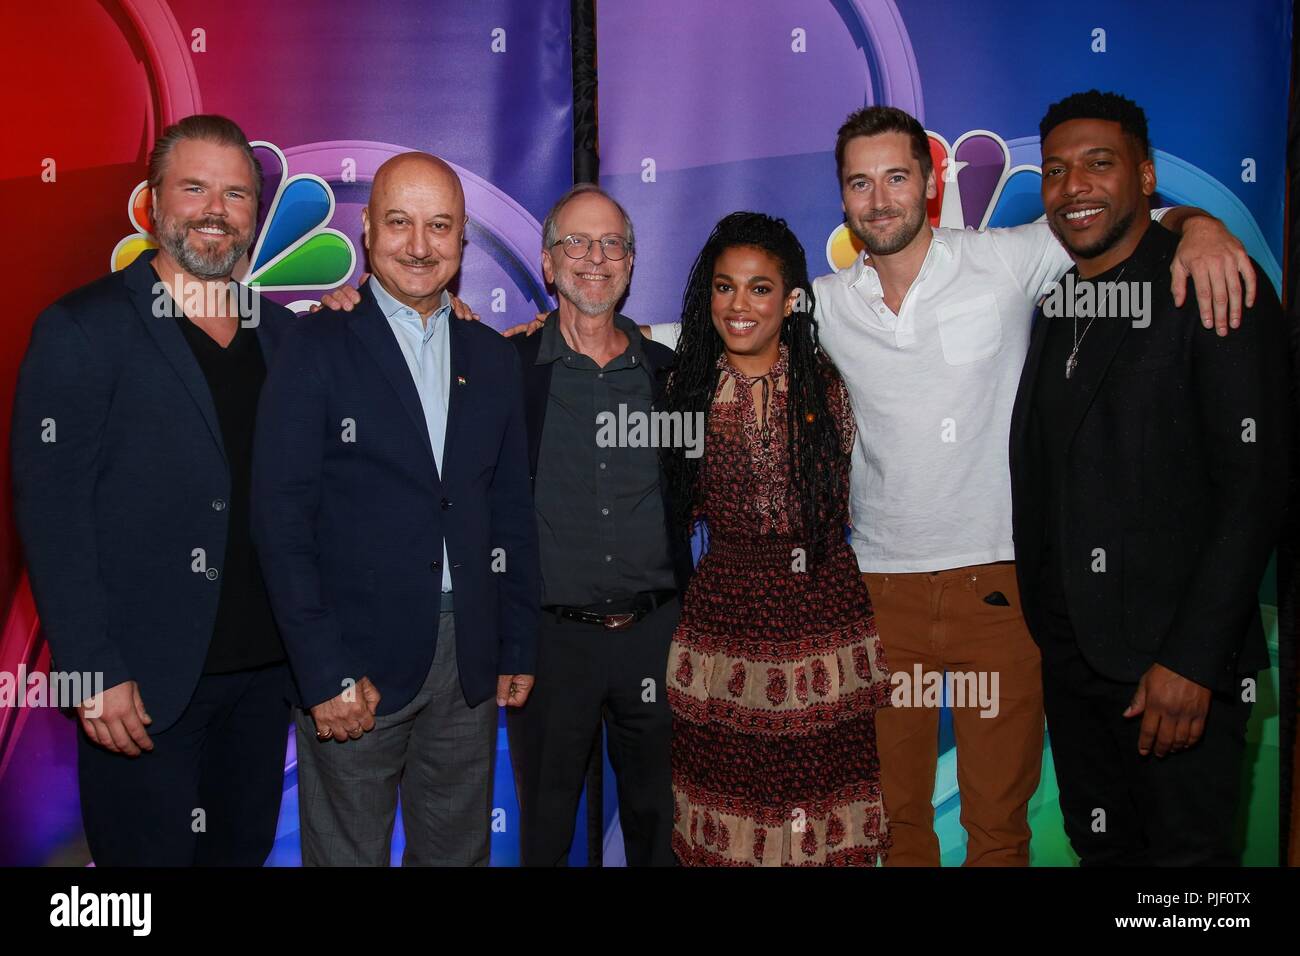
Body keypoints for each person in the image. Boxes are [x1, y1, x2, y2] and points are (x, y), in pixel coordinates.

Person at [646, 105, 1255, 866]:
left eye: (896, 177)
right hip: (878, 600)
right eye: (860, 183)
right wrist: (562, 331)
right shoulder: (824, 306)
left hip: (998, 593)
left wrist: (1199, 225)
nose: (880, 199)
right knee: (897, 823)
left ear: (930, 182)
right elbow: (693, 334)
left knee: (999, 826)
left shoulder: (1006, 258)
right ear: (843, 199)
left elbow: (1105, 209)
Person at [315, 182, 689, 866]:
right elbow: (416, 334)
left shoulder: (672, 380)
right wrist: (354, 296)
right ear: (547, 264)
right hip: (549, 644)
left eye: (611, 244)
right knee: (543, 830)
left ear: (632, 263)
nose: (594, 259)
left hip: (657, 640)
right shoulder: (502, 364)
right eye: (575, 243)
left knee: (661, 825)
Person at [1009, 90, 1290, 865]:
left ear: (1146, 173)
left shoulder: (1210, 278)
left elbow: (1256, 483)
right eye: (1058, 171)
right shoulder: (1057, 302)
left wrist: (1193, 661)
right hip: (1075, 667)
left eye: (1099, 164)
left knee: (1185, 884)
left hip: (1176, 677)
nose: (1075, 187)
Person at [11, 114, 294, 866]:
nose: (214, 209)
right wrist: (92, 669)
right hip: (141, 690)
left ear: (254, 215)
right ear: (152, 201)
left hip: (265, 684)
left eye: (235, 194)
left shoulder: (286, 337)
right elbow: (51, 512)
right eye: (194, 187)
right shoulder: (81, 328)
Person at [252, 152, 538, 866]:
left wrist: (515, 643)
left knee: (456, 856)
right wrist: (322, 673)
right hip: (354, 661)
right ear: (367, 233)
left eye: (439, 226)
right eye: (400, 223)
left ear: (463, 240)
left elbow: (509, 511)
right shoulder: (313, 343)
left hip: (464, 658)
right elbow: (280, 520)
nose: (419, 245)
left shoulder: (491, 356)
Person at [664, 211, 891, 866]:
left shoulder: (830, 381)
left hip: (821, 614)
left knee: (818, 816)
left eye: (760, 287)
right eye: (725, 286)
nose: (740, 304)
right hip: (726, 623)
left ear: (789, 298)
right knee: (732, 816)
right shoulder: (683, 393)